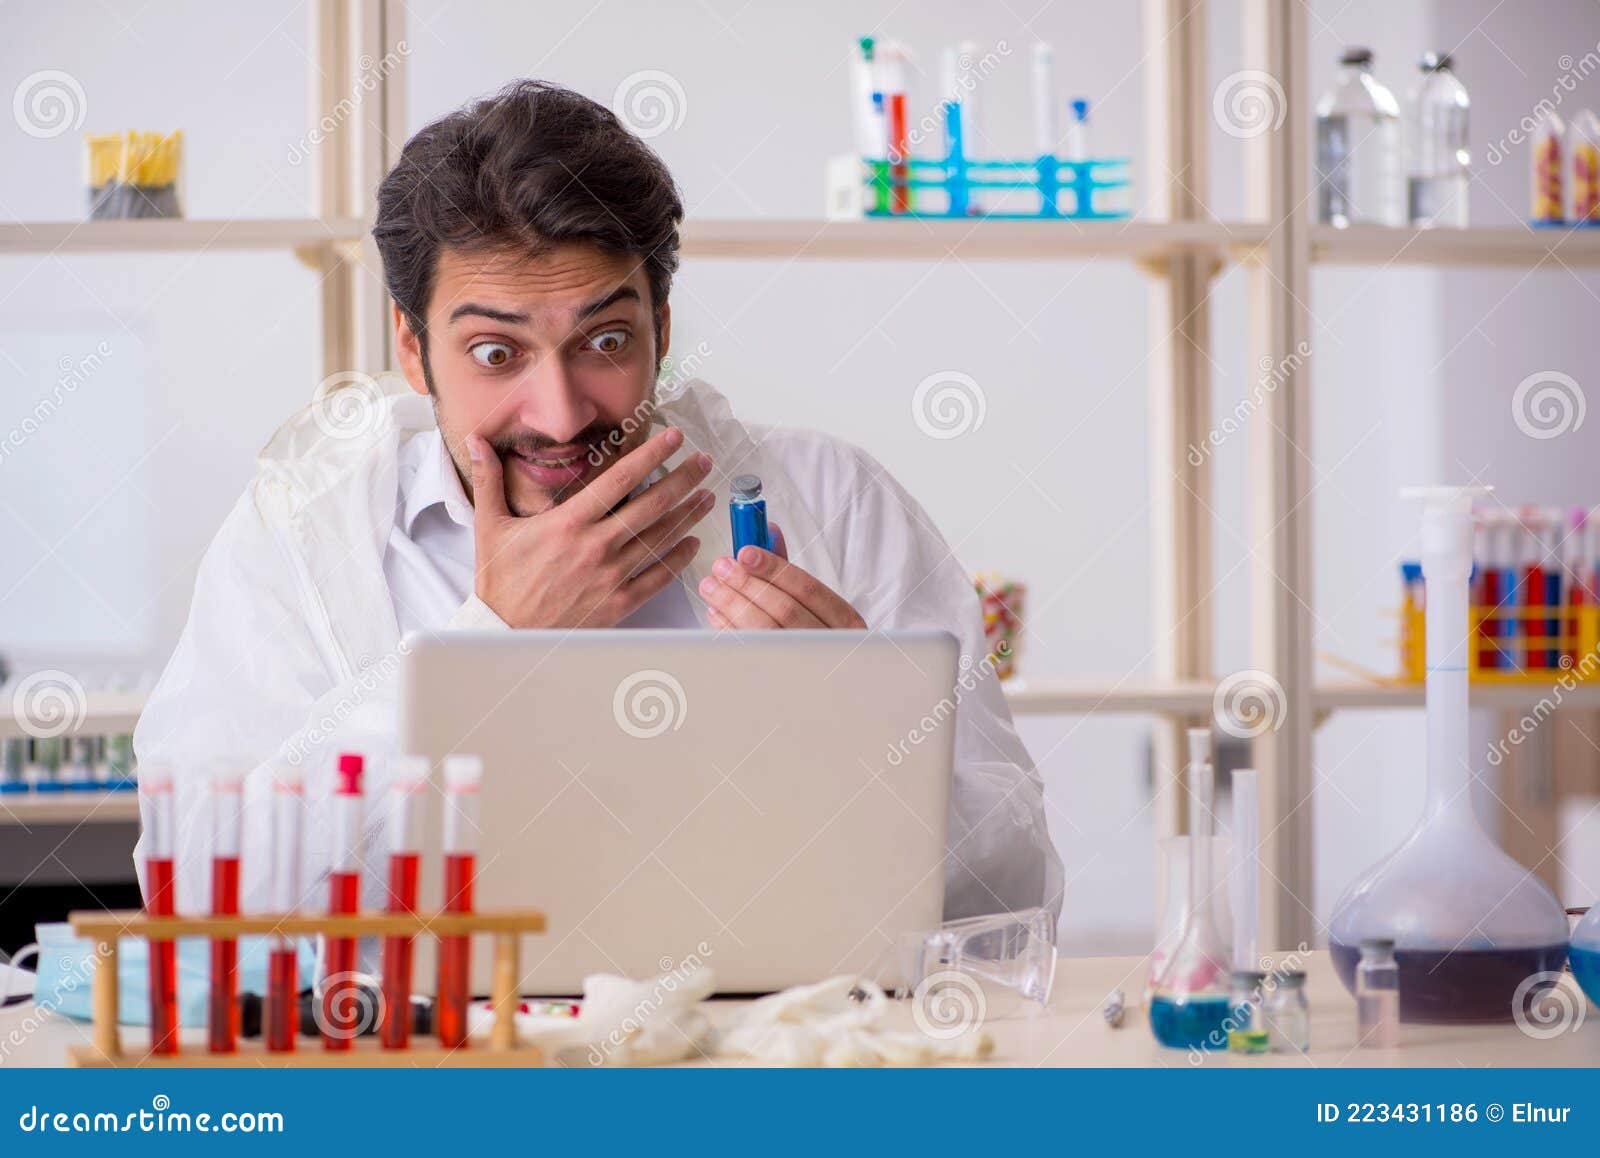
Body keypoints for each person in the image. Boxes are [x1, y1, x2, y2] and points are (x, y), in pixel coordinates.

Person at [133, 80, 1062, 927]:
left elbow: (1014, 891)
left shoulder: (833, 502)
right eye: (497, 354)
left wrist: (858, 734)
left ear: (662, 329)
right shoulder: (303, 535)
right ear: (414, 353)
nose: (561, 413)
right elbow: (199, 898)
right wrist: (487, 644)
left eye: (605, 339)